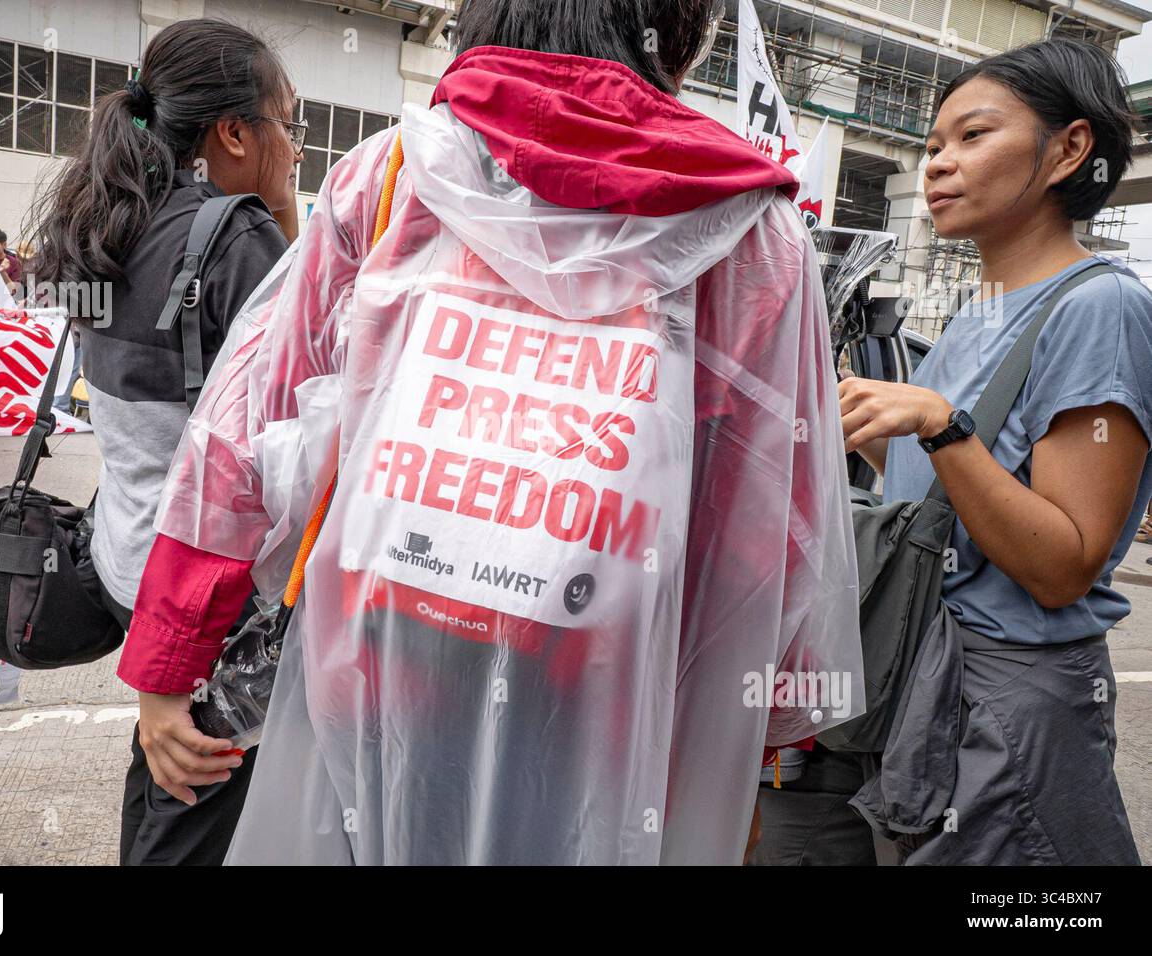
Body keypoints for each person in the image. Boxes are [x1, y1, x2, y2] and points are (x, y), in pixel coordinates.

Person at [118, 0, 863, 865]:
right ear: (679, 36)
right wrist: (741, 750)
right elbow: (766, 524)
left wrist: (170, 663)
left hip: (383, 669)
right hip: (604, 709)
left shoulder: (393, 174)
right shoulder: (756, 232)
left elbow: (247, 429)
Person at [760, 37, 1149, 866]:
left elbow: (1064, 565)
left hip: (1004, 699)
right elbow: (937, 510)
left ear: (1070, 150)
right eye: (933, 145)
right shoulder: (974, 318)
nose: (938, 164)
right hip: (905, 672)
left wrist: (940, 423)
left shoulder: (1099, 306)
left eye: (972, 137)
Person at [32, 16, 300, 866]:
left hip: (123, 553)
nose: (293, 146)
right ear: (232, 132)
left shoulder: (107, 218)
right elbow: (292, 410)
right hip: (199, 592)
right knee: (190, 803)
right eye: (285, 122)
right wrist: (282, 223)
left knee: (166, 769)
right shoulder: (232, 237)